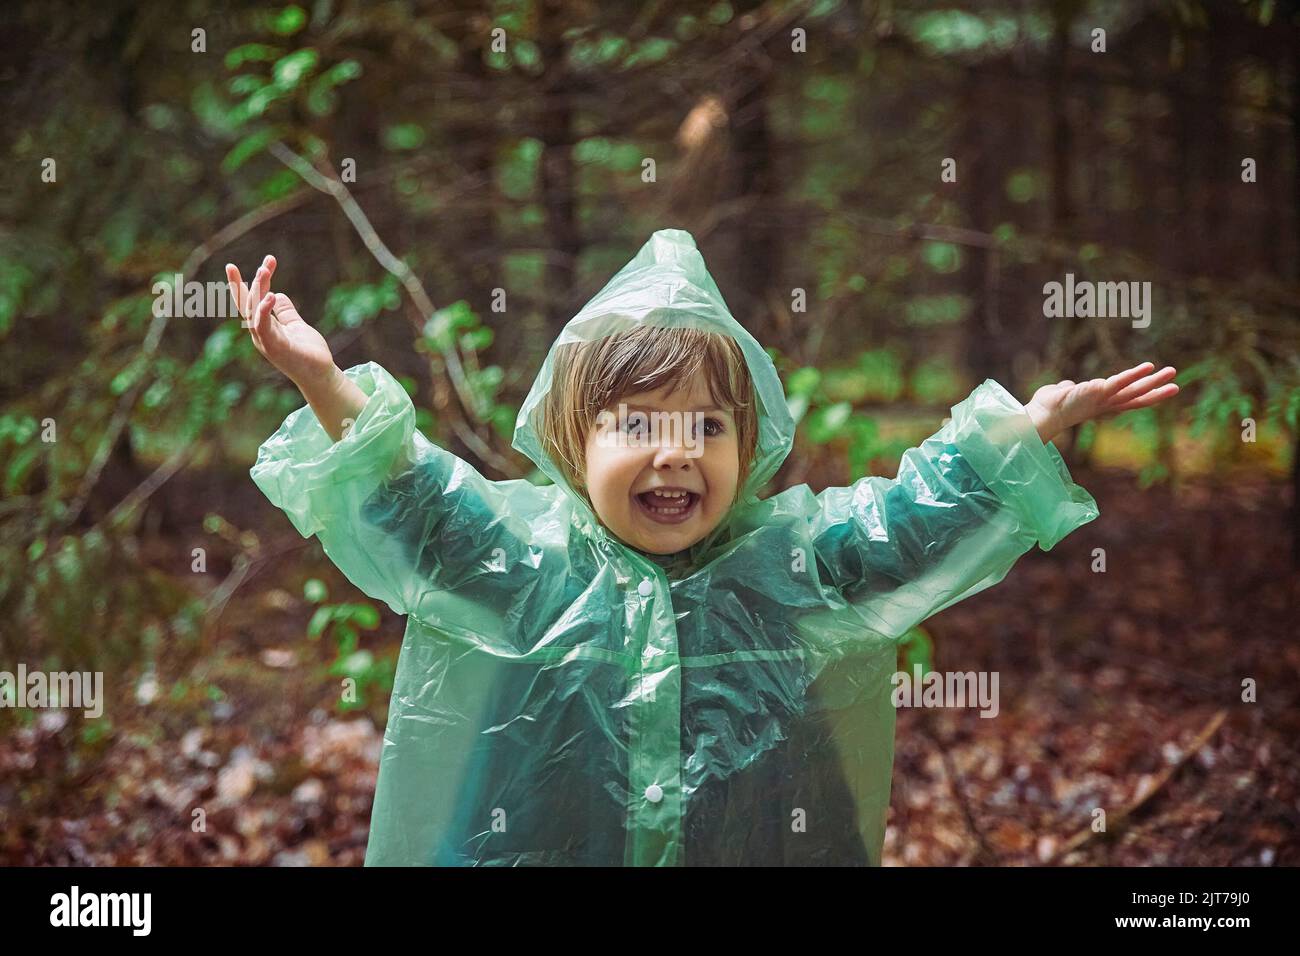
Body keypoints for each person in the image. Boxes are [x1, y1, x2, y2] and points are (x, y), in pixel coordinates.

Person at [233, 229, 1179, 865]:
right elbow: (416, 500)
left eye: (708, 428)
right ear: (574, 443)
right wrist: (322, 382)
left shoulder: (793, 564)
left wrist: (1021, 435)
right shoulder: (527, 562)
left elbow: (910, 524)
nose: (676, 452)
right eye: (638, 426)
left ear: (747, 443)